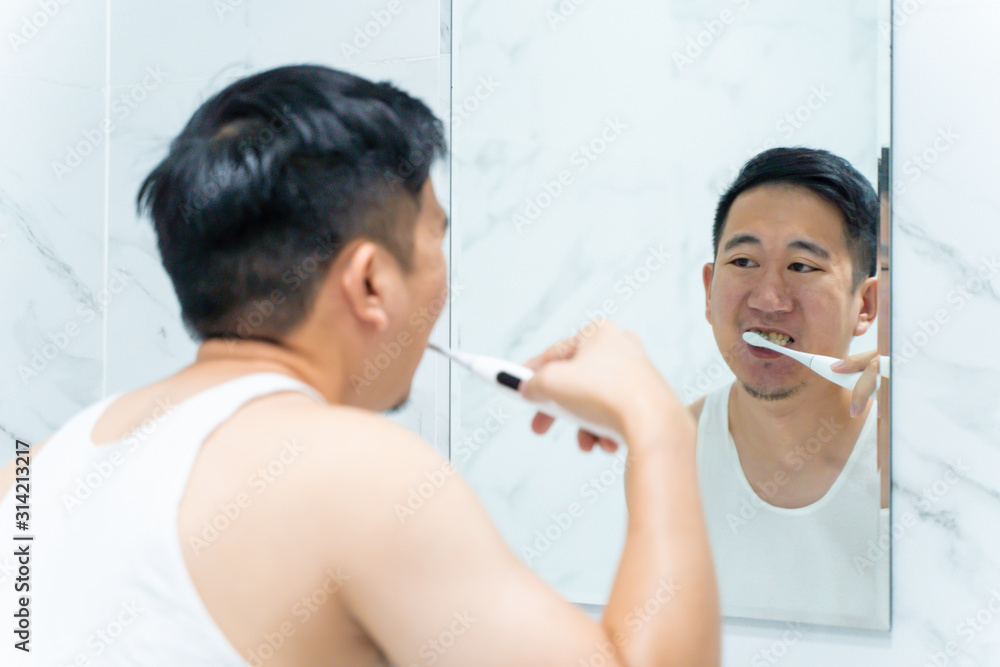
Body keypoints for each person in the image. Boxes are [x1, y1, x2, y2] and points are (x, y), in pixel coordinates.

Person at [0, 65, 719, 666]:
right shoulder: (353, 473)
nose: (444, 276)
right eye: (437, 236)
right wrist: (659, 430)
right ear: (371, 282)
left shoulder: (32, 473)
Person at [689, 147, 888, 627]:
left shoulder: (908, 446)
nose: (768, 298)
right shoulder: (667, 449)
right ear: (709, 291)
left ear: (865, 304)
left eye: (802, 267)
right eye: (743, 261)